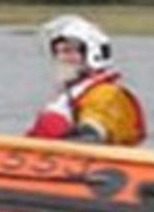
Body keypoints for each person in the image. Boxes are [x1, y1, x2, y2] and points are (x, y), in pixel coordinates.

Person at [26, 14, 146, 145]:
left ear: (92, 54)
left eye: (68, 51)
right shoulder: (72, 94)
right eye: (57, 52)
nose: (61, 58)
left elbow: (90, 137)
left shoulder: (107, 94)